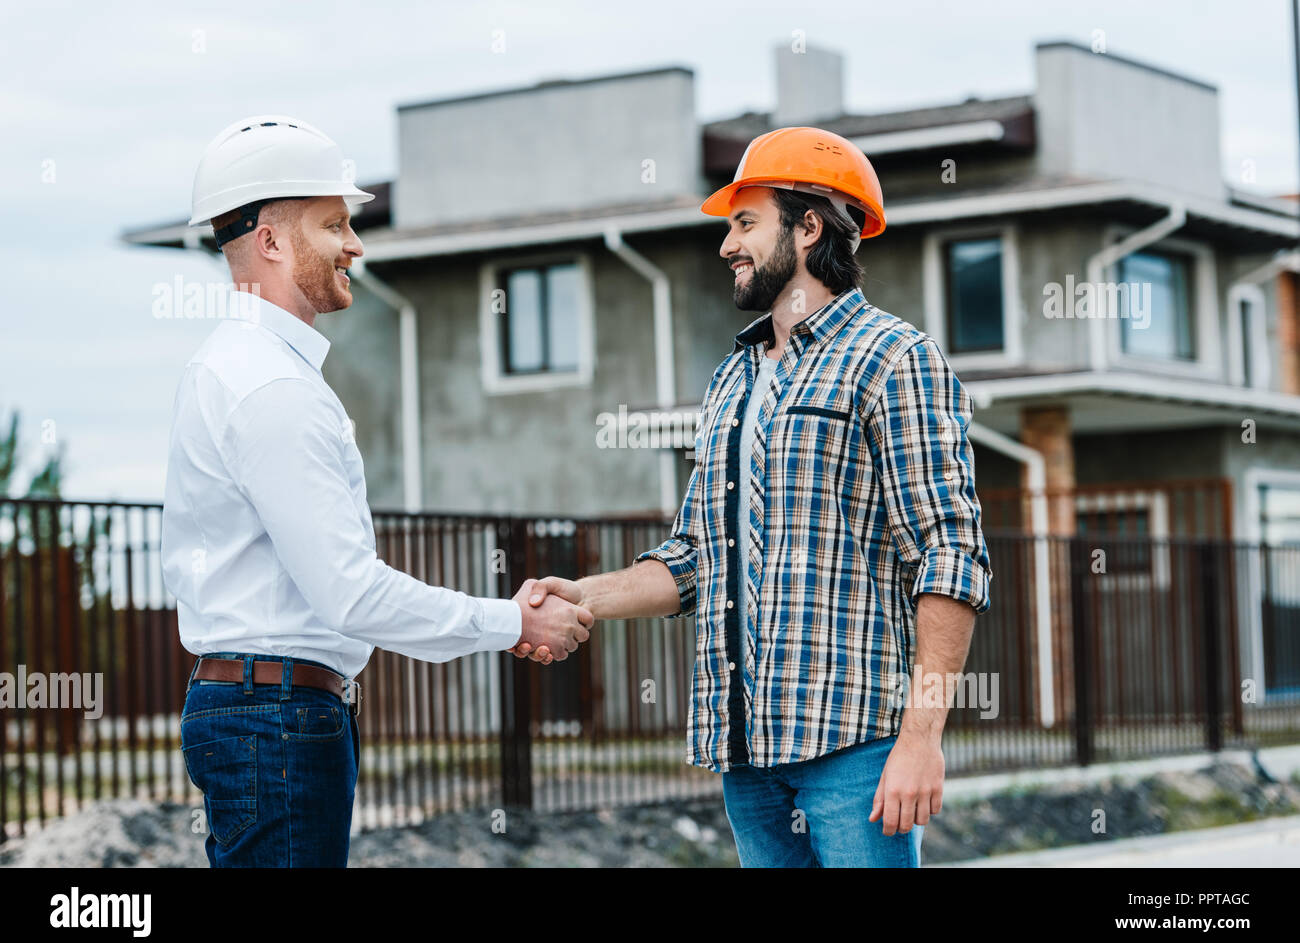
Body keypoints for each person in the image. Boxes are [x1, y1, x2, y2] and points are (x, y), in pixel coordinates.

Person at [520, 126, 992, 867]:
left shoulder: (895, 359)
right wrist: (582, 595)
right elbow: (695, 559)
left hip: (855, 749)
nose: (726, 245)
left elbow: (949, 554)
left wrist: (922, 737)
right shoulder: (729, 383)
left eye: (745, 222)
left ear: (808, 226)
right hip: (748, 753)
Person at [162, 116, 589, 867]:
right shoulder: (269, 385)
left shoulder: (242, 367)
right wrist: (508, 620)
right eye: (334, 224)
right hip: (278, 717)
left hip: (269, 710)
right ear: (269, 241)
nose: (356, 244)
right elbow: (351, 593)